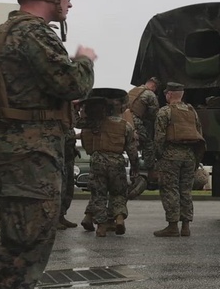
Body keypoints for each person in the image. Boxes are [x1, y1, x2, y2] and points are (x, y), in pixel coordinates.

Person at [0, 0, 96, 289]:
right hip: (29, 156)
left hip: (23, 153)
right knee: (22, 248)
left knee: (27, 244)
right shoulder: (33, 33)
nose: (69, 1)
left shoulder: (7, 33)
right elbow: (71, 83)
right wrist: (84, 59)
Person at [78, 90, 140, 237]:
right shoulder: (126, 126)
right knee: (118, 193)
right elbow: (132, 150)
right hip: (116, 161)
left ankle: (101, 227)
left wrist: (82, 108)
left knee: (98, 194)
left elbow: (79, 125)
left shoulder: (96, 123)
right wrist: (135, 167)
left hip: (98, 160)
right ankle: (119, 219)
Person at [152, 82, 204, 238]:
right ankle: (186, 227)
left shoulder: (165, 111)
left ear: (169, 94)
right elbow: (199, 132)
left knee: (170, 189)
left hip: (171, 155)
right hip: (189, 156)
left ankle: (173, 226)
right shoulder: (192, 111)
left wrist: (159, 155)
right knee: (186, 190)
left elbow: (159, 137)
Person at [127, 77, 160, 177]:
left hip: (125, 120)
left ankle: (134, 169)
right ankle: (150, 171)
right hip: (136, 121)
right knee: (148, 143)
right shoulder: (150, 94)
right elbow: (154, 113)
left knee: (131, 144)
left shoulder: (132, 90)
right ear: (153, 86)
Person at [57, 101, 81, 230]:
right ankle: (55, 218)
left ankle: (61, 215)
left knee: (68, 187)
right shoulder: (61, 110)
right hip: (61, 157)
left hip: (69, 156)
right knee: (60, 188)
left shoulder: (70, 115)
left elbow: (77, 124)